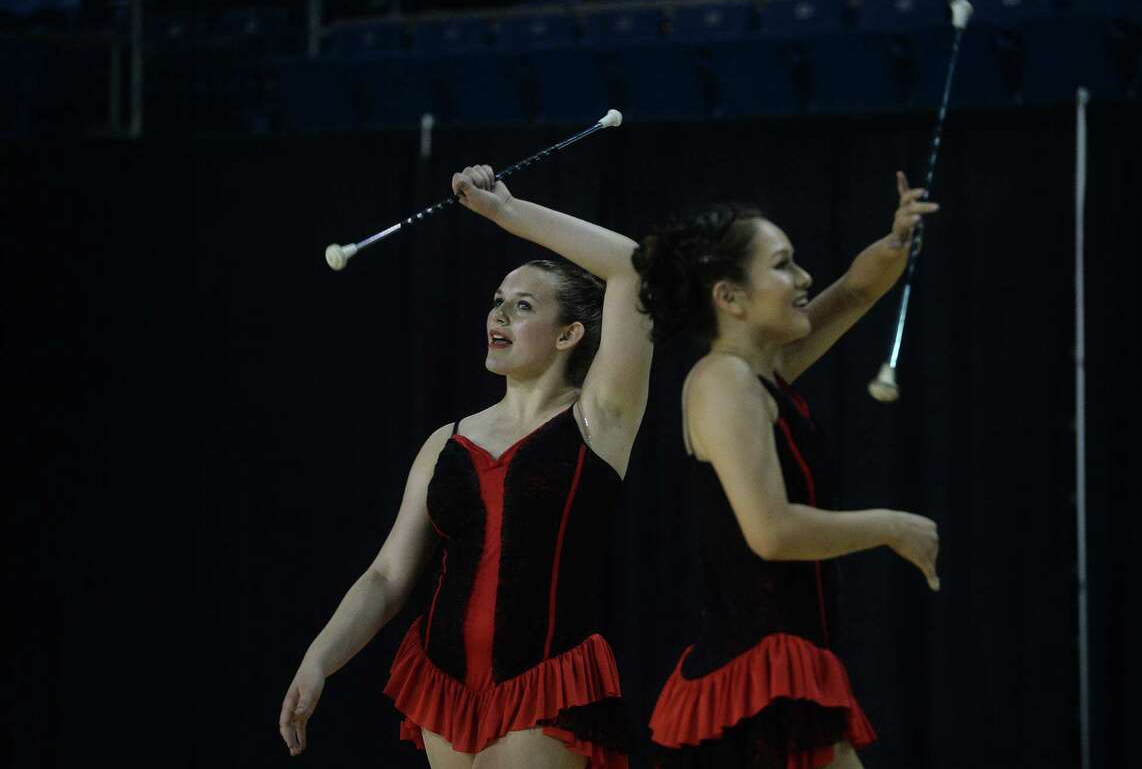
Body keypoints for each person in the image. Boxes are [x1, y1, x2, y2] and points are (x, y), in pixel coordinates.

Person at [279, 165, 652, 768]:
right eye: (497, 302)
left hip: (544, 683)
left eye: (523, 306)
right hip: (443, 689)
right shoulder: (444, 444)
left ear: (569, 335)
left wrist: (506, 213)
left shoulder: (600, 420)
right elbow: (386, 578)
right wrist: (318, 660)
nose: (498, 316)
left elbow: (633, 268)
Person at [632, 172, 941, 768]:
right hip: (757, 673)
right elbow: (770, 532)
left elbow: (852, 292)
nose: (803, 279)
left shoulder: (760, 372)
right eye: (783, 265)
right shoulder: (723, 382)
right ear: (731, 297)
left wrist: (897, 238)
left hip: (783, 664)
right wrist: (891, 527)